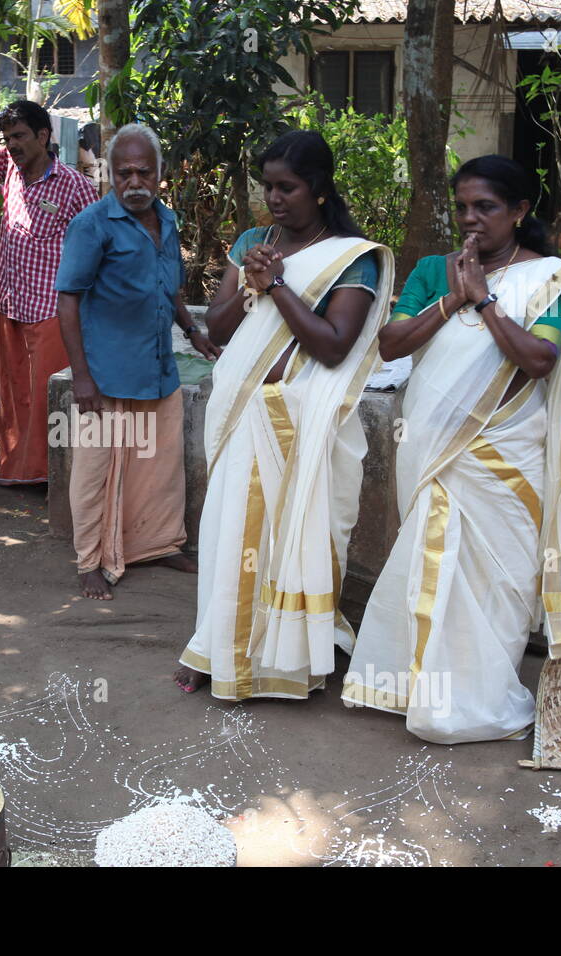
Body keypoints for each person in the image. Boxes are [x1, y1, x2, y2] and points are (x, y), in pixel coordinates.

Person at [341, 155, 561, 743]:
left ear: (519, 211)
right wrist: (455, 298)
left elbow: (538, 360)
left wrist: (485, 300)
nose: (470, 219)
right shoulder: (436, 271)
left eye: (485, 207)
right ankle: (414, 688)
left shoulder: (552, 280)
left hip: (507, 456)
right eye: (462, 207)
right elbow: (389, 344)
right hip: (434, 449)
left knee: (495, 578)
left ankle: (478, 696)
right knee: (432, 564)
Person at [174, 131, 393, 699]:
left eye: (286, 187)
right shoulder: (253, 241)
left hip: (306, 421)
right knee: (230, 533)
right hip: (247, 412)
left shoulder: (351, 257)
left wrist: (278, 287)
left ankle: (291, 657)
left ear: (318, 189)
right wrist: (250, 280)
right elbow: (218, 330)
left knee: (300, 538)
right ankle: (217, 647)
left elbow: (333, 345)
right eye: (267, 186)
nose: (273, 198)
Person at [56, 124, 220, 601]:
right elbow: (68, 302)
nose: (134, 182)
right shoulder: (92, 225)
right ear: (110, 173)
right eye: (124, 172)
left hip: (157, 366)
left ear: (159, 174)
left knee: (159, 465)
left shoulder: (167, 222)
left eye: (143, 172)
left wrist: (193, 332)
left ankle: (157, 544)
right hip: (105, 374)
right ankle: (89, 561)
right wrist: (80, 376)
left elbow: (165, 289)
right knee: (94, 472)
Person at [0, 50, 97, 486]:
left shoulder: (75, 188)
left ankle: (50, 474)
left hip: (51, 313)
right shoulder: (8, 169)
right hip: (8, 307)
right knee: (11, 393)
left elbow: (100, 247)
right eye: (8, 137)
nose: (13, 144)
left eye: (21, 135)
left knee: (47, 396)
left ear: (44, 135)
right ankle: (18, 471)